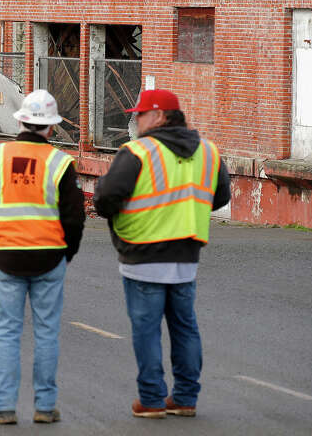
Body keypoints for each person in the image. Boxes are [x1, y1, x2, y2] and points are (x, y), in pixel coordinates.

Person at [93, 89, 230, 419]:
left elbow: (105, 198)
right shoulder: (208, 152)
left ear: (159, 116)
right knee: (185, 327)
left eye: (140, 113)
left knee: (146, 329)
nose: (135, 118)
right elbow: (220, 195)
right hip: (185, 254)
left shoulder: (138, 151)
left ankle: (152, 399)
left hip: (143, 255)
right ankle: (185, 397)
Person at [0, 90, 85, 425]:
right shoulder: (61, 163)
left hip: (7, 257)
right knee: (47, 332)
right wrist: (67, 255)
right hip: (50, 258)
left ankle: (4, 407)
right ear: (50, 128)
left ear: (20, 120)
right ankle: (45, 407)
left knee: (8, 331)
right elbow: (75, 218)